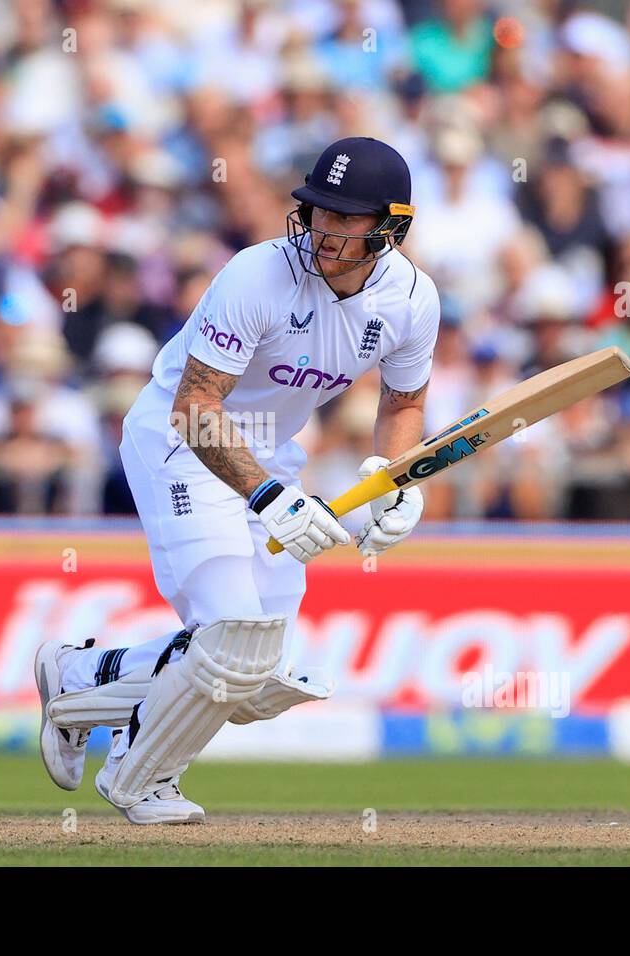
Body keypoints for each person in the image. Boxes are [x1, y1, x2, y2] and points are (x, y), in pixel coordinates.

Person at [32, 138, 442, 824]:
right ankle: (139, 777)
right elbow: (196, 407)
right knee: (230, 636)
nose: (325, 231)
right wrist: (270, 498)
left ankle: (77, 679)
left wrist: (393, 481)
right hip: (177, 440)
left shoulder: (412, 301)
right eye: (319, 212)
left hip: (267, 454)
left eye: (347, 219)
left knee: (255, 675)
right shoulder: (257, 275)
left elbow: (403, 404)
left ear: (391, 228)